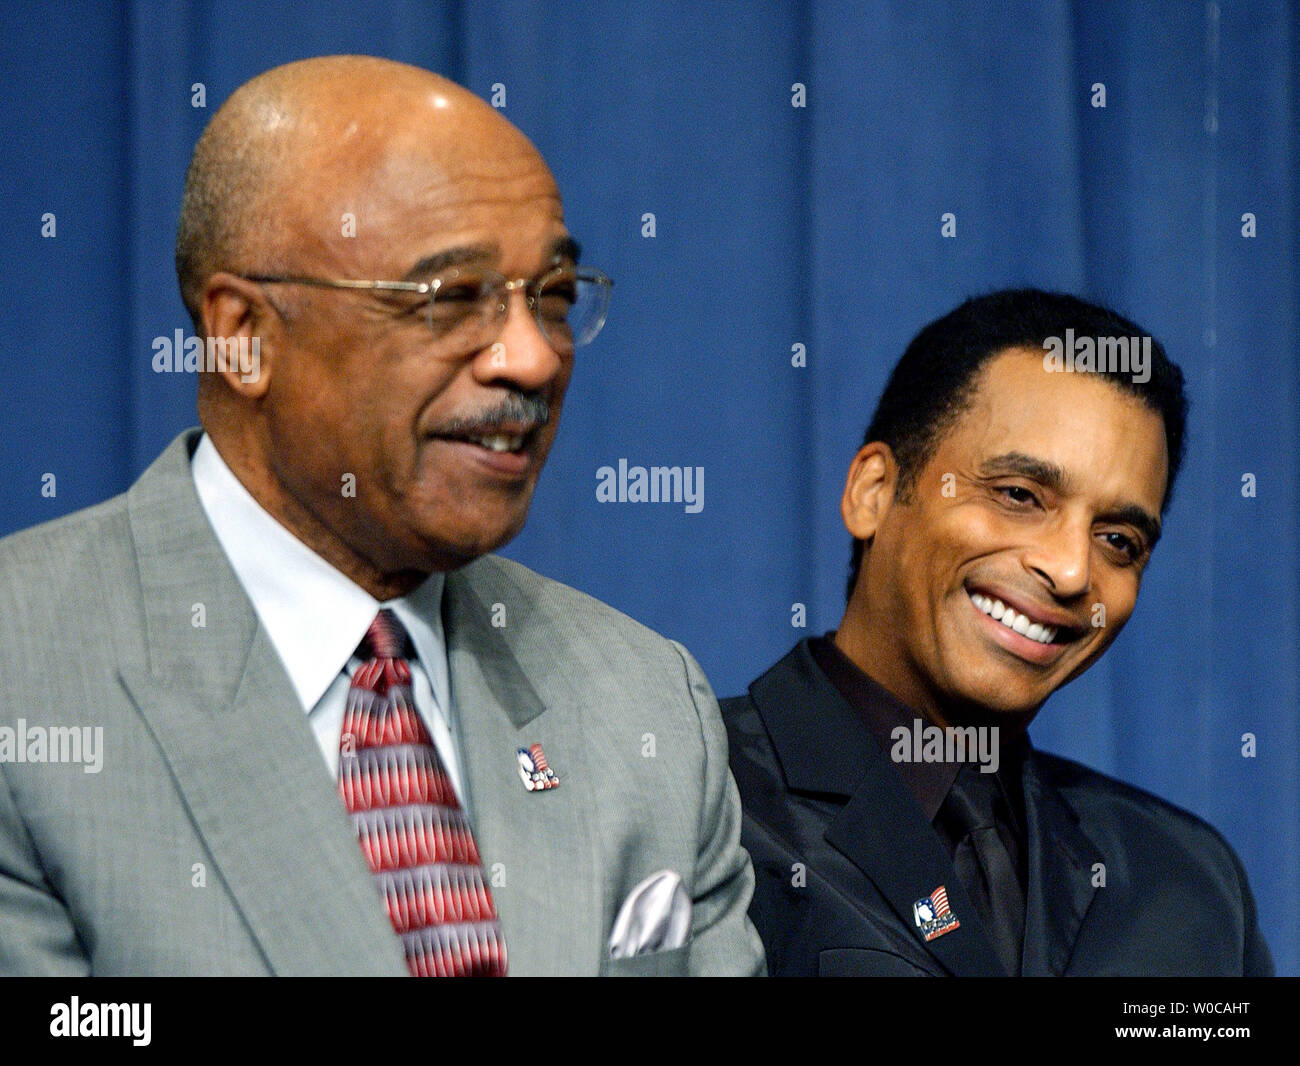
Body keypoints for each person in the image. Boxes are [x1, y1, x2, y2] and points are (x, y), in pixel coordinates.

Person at [0, 55, 763, 977]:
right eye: (447, 300)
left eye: (553, 298)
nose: (531, 358)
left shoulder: (645, 708)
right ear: (242, 336)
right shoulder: (27, 680)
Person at [722, 289, 1272, 976]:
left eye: (1119, 539)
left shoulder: (1190, 883)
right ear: (874, 492)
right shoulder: (690, 798)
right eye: (1019, 496)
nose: (1072, 569)